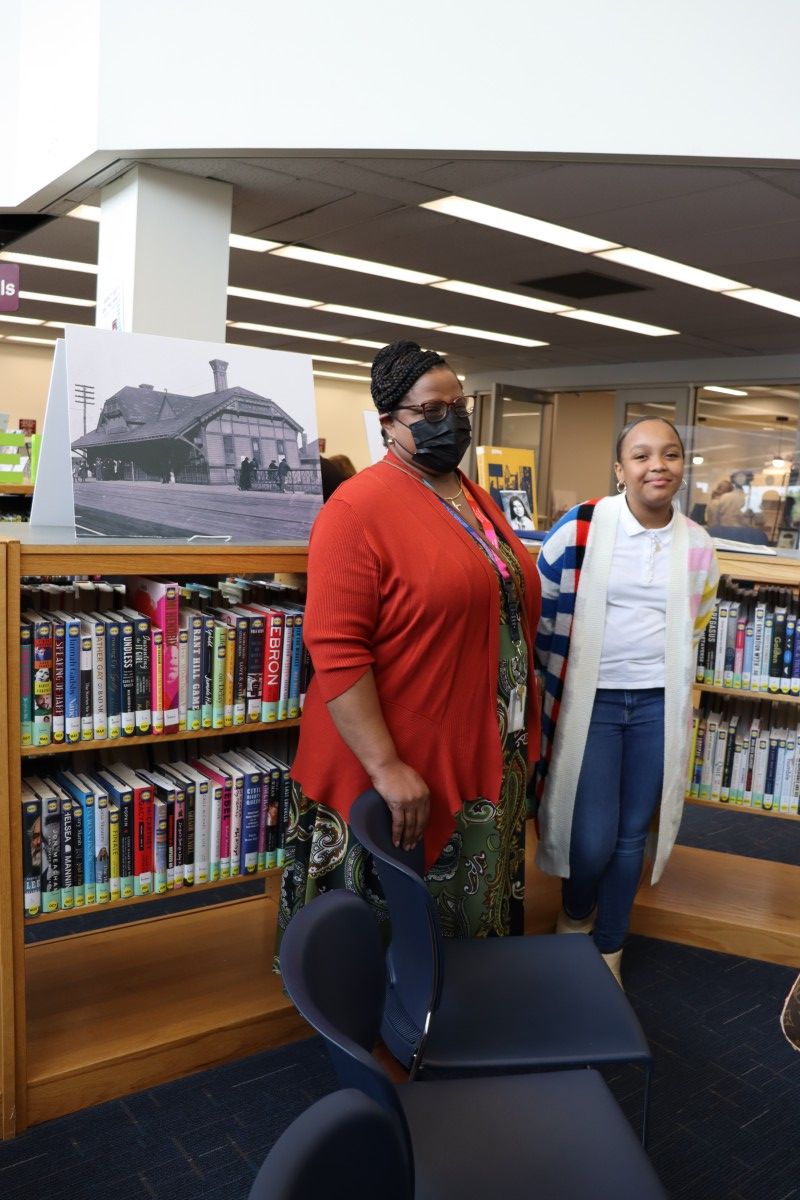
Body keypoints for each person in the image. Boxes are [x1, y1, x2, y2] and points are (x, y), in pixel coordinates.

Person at [275, 340, 541, 959]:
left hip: (480, 750)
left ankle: (457, 1025)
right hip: (400, 762)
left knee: (466, 942)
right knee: (387, 940)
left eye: (459, 405)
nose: (451, 420)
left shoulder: (471, 498)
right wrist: (386, 766)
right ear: (388, 423)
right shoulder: (355, 509)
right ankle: (392, 1038)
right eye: (430, 411)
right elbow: (336, 650)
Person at [535, 416, 719, 985]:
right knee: (589, 839)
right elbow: (541, 604)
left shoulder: (698, 544)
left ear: (683, 468)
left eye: (669, 455)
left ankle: (609, 948)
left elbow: (697, 623)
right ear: (620, 470)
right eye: (641, 456)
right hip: (591, 704)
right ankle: (576, 913)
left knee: (631, 836)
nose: (656, 466)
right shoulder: (582, 527)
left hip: (657, 708)